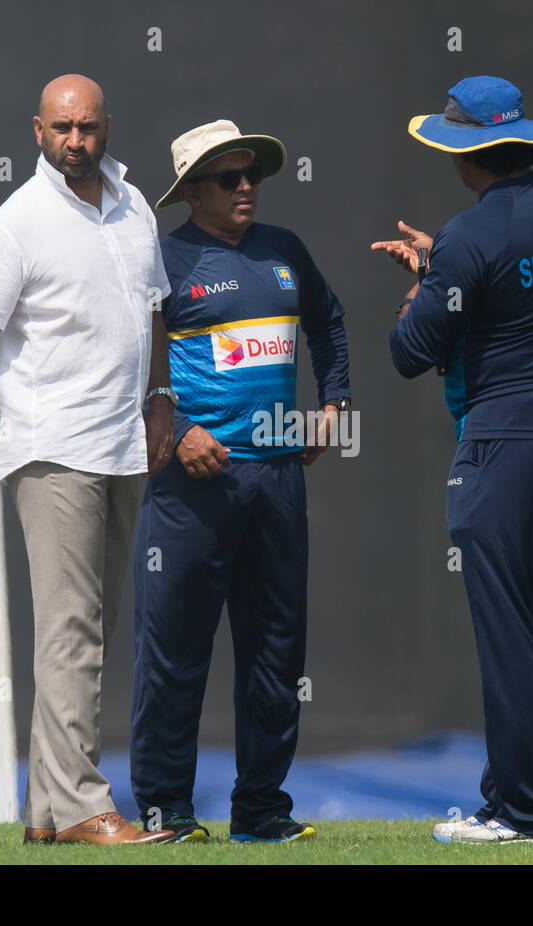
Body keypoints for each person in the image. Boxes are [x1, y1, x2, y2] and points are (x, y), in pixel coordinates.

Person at [0, 74, 176, 846]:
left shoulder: (135, 205)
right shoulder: (17, 225)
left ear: (106, 125)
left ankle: (48, 813)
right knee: (71, 629)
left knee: (90, 627)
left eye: (87, 126)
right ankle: (85, 804)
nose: (75, 141)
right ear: (37, 131)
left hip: (122, 445)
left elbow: (154, 312)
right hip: (53, 450)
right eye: (61, 128)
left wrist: (160, 398)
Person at [372, 76, 533, 844]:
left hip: (502, 445)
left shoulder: (467, 239)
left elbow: (411, 352)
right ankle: (508, 800)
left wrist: (427, 292)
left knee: (509, 632)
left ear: (466, 156)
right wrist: (449, 276)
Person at [129, 120, 351, 843]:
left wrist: (335, 404)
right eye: (229, 178)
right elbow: (130, 362)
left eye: (252, 174)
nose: (247, 186)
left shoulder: (285, 251)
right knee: (175, 650)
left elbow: (330, 321)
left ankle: (261, 809)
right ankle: (166, 809)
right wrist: (181, 427)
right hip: (193, 486)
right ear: (191, 191)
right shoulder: (163, 263)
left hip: (278, 477)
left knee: (276, 651)